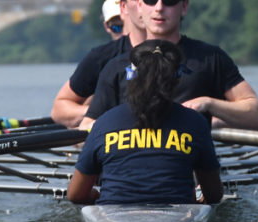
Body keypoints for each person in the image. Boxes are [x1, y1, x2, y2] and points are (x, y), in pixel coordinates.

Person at [79, 0, 258, 131]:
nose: (159, 8)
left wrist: (209, 103)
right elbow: (85, 129)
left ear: (184, 7)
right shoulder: (115, 66)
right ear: (140, 5)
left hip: (189, 158)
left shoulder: (210, 58)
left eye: (169, 1)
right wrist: (116, 124)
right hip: (132, 156)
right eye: (150, 0)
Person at [67, 39, 224, 205]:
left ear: (130, 76)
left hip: (112, 213)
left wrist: (97, 196)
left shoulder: (104, 122)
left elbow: (76, 195)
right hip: (179, 214)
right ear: (177, 79)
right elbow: (214, 195)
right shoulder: (196, 123)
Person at [50, 0, 155, 128]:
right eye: (115, 26)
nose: (152, 7)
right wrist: (98, 112)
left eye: (167, 0)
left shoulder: (189, 56)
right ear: (125, 7)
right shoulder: (104, 59)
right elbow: (59, 109)